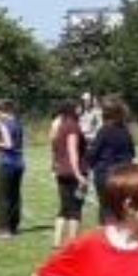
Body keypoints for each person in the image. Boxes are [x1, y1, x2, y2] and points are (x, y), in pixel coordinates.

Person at [86, 96, 136, 221]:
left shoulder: (104, 130)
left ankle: (107, 235)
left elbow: (92, 155)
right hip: (123, 175)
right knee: (119, 209)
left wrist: (87, 156)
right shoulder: (125, 131)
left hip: (105, 175)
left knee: (105, 209)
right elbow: (131, 154)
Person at [50, 100, 89, 248]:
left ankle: (56, 242)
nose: (81, 109)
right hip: (74, 172)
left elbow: (55, 148)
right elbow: (73, 151)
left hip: (62, 171)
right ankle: (73, 244)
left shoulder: (60, 126)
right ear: (72, 110)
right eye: (79, 107)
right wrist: (78, 174)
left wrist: (55, 167)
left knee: (64, 207)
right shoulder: (72, 126)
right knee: (75, 209)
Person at [0, 99, 24, 238]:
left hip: (8, 163)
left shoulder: (4, 125)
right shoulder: (18, 123)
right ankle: (13, 226)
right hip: (19, 163)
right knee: (15, 195)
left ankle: (4, 229)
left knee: (3, 196)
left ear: (2, 111)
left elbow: (9, 145)